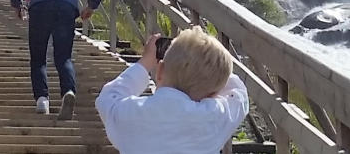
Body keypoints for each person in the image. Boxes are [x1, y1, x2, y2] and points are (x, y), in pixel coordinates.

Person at [96, 28, 249, 153]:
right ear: (213, 94)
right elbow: (239, 94)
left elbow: (109, 96)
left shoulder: (132, 112)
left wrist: (145, 62)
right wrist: (215, 72)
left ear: (160, 70)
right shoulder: (212, 117)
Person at [9, 0, 104, 120]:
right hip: (66, 9)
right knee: (64, 57)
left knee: (38, 56)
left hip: (40, 8)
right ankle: (68, 92)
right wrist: (91, 6)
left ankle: (42, 100)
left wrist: (17, 4)